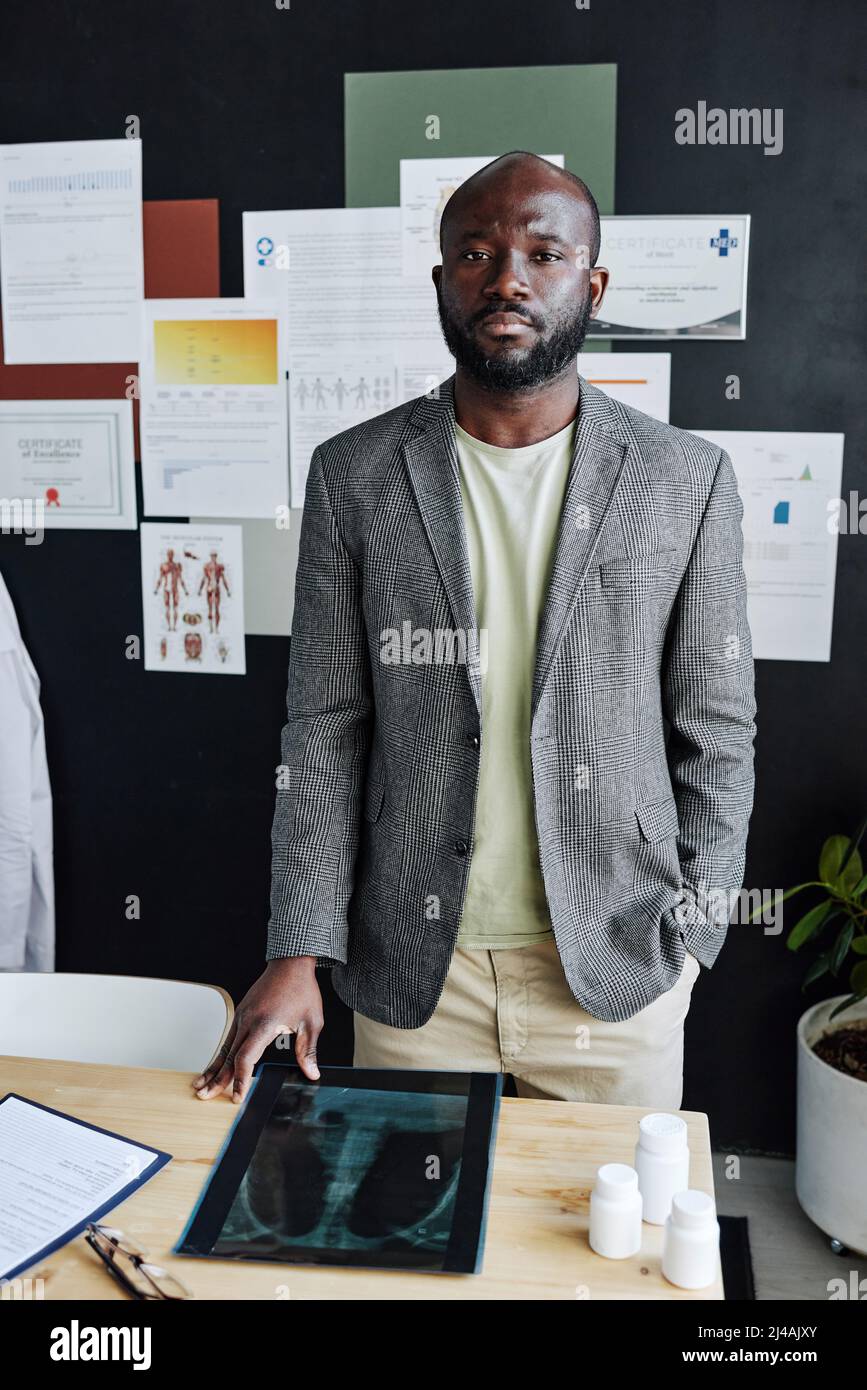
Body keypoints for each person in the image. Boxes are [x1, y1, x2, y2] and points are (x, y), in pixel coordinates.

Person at [194, 151, 756, 1108]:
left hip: (618, 969)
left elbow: (718, 729)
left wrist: (693, 936)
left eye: (544, 253)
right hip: (419, 976)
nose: (507, 278)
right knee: (413, 1248)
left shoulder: (684, 480)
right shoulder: (354, 474)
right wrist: (298, 948)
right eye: (476, 252)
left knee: (608, 1248)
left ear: (593, 283)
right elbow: (323, 729)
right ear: (442, 280)